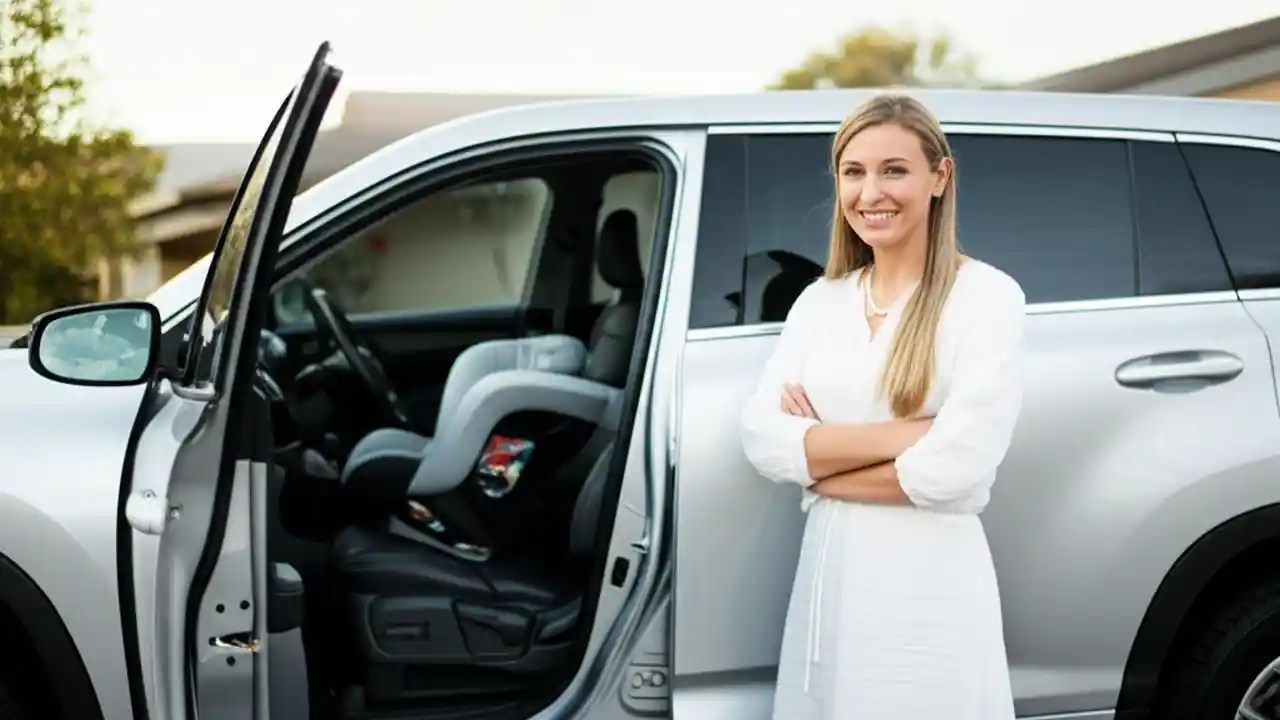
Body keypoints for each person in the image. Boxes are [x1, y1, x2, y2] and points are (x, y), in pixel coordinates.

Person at [739, 93, 1026, 718]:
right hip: (832, 576)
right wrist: (911, 434)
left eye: (894, 169)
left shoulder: (986, 297)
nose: (872, 192)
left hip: (928, 588)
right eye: (854, 172)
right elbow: (764, 440)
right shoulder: (820, 301)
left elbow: (959, 468)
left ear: (939, 176)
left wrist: (819, 462)